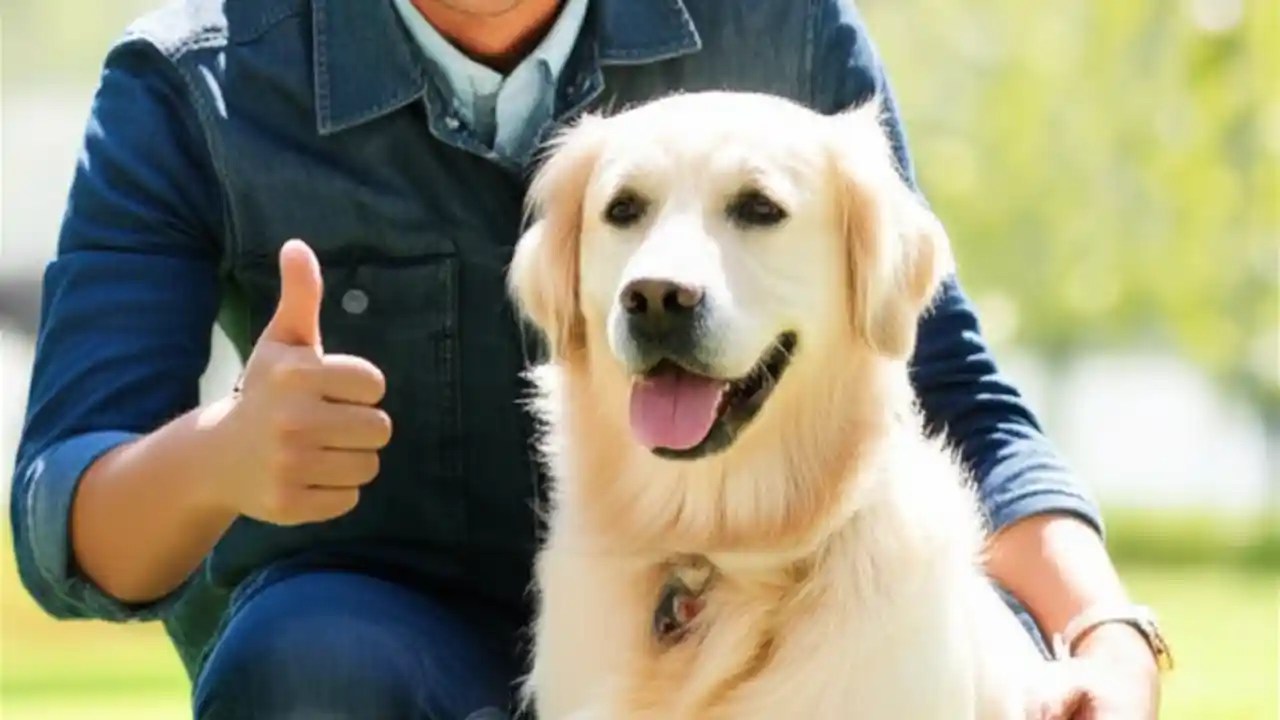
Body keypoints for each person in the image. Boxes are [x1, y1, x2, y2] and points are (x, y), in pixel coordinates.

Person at [11, 0, 1167, 717]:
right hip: (389, 653)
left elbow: (941, 382)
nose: (666, 279)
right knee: (304, 667)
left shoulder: (780, 24)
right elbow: (68, 518)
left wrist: (1106, 635)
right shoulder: (191, 81)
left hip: (814, 601)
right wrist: (223, 456)